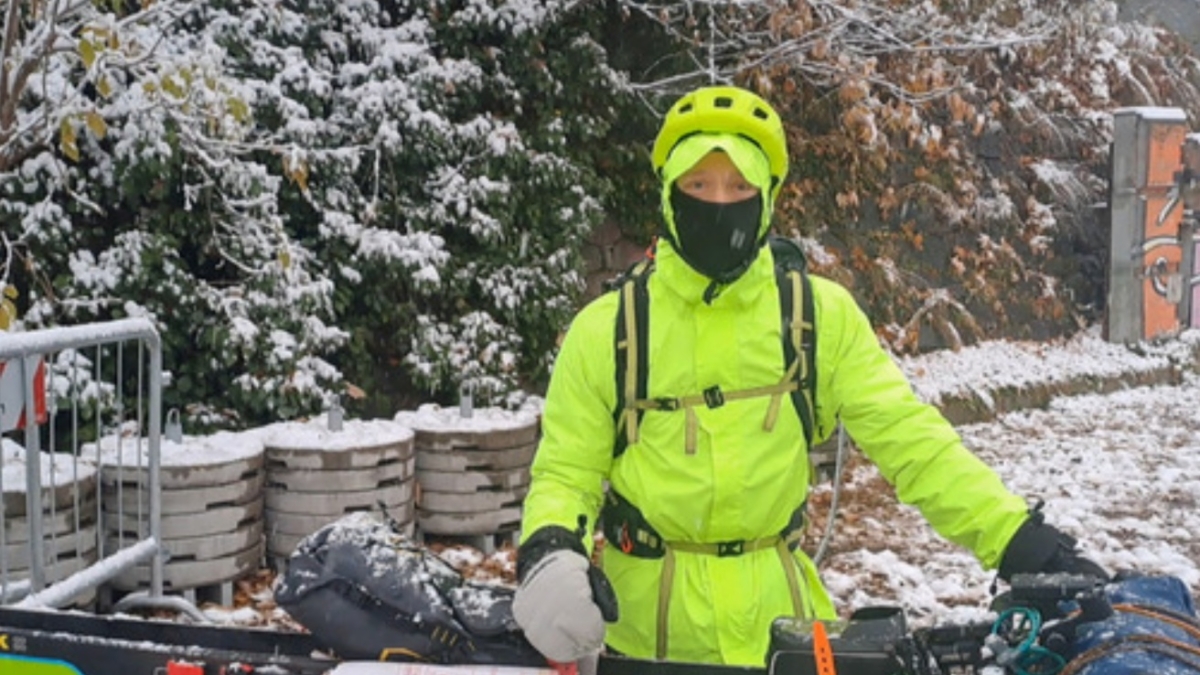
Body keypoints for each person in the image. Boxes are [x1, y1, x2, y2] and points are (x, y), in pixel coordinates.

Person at [510, 84, 1106, 667]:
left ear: (767, 197)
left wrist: (1018, 540)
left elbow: (912, 442)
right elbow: (566, 470)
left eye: (739, 185)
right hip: (642, 644)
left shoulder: (816, 315)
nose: (719, 203)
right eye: (698, 184)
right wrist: (550, 549)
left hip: (788, 636)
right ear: (668, 194)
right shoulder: (608, 328)